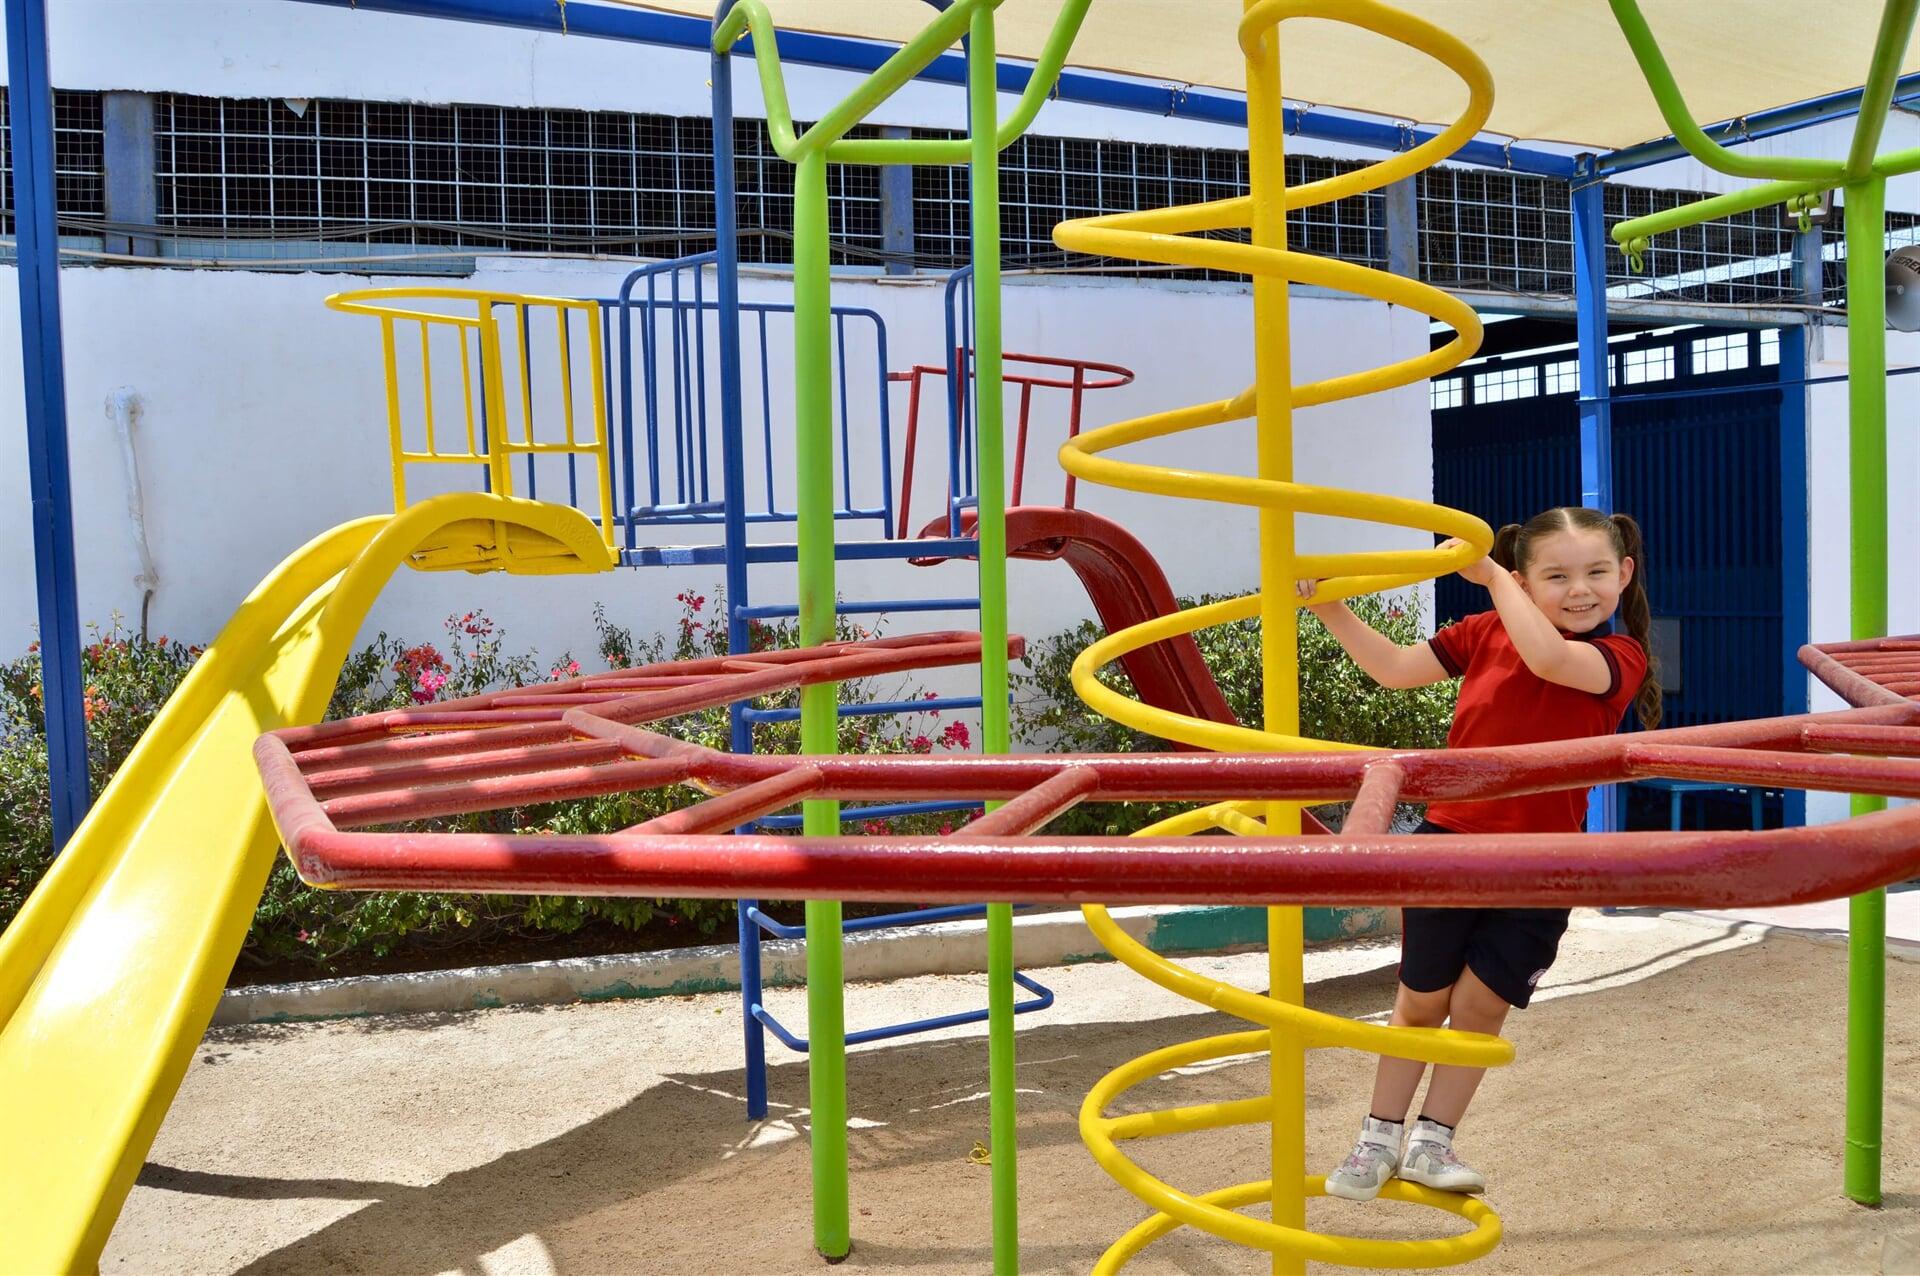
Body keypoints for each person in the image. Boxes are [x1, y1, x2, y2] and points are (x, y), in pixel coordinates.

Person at [1297, 506, 1660, 1200]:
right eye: (1555, 575)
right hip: (1453, 842)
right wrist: (1333, 610)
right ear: (1528, 581)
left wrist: (1493, 577)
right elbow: (1399, 671)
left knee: (1481, 1005)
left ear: (1625, 575)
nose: (1579, 590)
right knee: (1420, 1002)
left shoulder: (1620, 657)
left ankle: (1433, 1143)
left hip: (1541, 864)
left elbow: (1549, 659)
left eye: (1596, 573)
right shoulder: (1485, 629)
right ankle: (1376, 1139)